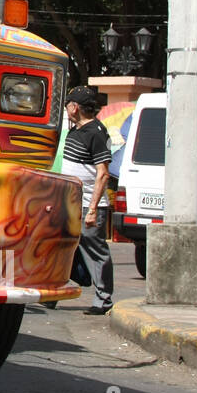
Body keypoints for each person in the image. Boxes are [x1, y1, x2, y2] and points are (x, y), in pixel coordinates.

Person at [61, 85, 114, 314]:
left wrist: (92, 209)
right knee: (63, 246)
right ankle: (58, 289)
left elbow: (103, 174)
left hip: (88, 205)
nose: (66, 108)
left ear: (75, 107)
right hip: (71, 203)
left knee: (95, 251)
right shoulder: (75, 130)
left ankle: (104, 299)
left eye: (68, 104)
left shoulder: (96, 133)